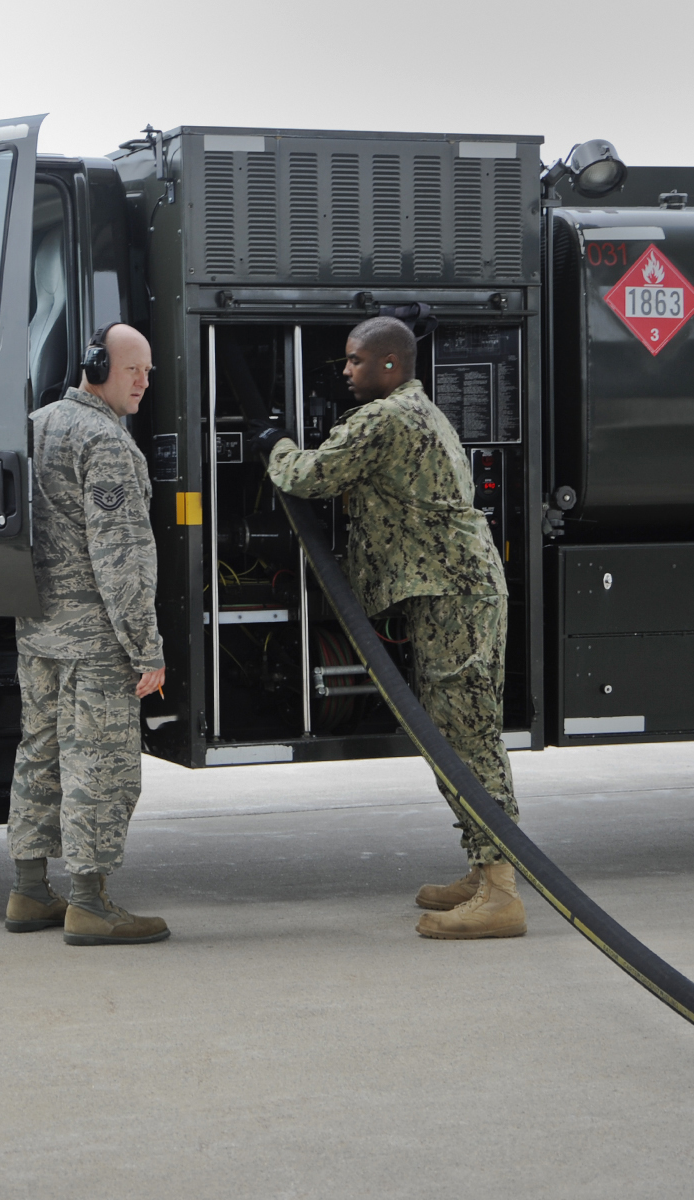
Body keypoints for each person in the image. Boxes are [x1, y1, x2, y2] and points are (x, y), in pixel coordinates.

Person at [257, 316, 526, 939]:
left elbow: (308, 475)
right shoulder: (415, 410)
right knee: (451, 733)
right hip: (450, 593)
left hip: (453, 594)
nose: (345, 372)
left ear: (388, 364)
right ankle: (484, 865)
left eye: (354, 362)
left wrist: (273, 441)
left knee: (467, 736)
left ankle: (501, 891)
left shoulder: (388, 418)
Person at [5, 323, 170, 946]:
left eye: (149, 372)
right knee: (99, 765)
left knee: (39, 756)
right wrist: (146, 647)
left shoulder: (36, 425)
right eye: (135, 370)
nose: (145, 382)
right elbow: (121, 556)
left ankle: (28, 891)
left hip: (38, 631)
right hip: (95, 641)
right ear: (97, 365)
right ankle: (90, 903)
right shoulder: (106, 443)